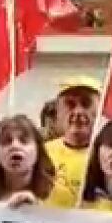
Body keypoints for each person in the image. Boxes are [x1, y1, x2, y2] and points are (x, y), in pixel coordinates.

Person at [45, 76, 102, 204]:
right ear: (58, 112)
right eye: (70, 104)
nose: (78, 111)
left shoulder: (110, 156)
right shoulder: (41, 154)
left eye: (86, 104)